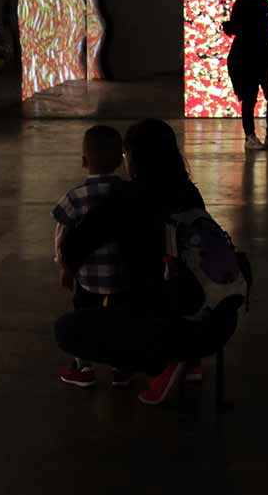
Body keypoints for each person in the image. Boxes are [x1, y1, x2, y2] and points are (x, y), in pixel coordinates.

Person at [54, 121, 237, 406]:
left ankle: (164, 362)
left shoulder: (128, 198)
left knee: (67, 329)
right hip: (217, 320)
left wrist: (70, 268)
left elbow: (72, 246)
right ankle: (190, 361)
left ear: (132, 157)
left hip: (161, 324)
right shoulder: (190, 193)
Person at [52, 125, 135, 388]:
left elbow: (62, 237)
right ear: (121, 160)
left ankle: (83, 366)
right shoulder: (129, 193)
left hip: (87, 278)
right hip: (124, 276)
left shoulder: (74, 198)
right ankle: (121, 367)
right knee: (121, 321)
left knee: (84, 320)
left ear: (84, 161)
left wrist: (64, 267)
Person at [221, 0, 268, 151]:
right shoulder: (245, 4)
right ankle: (250, 136)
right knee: (250, 98)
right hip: (247, 58)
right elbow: (244, 30)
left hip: (261, 58)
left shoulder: (262, 4)